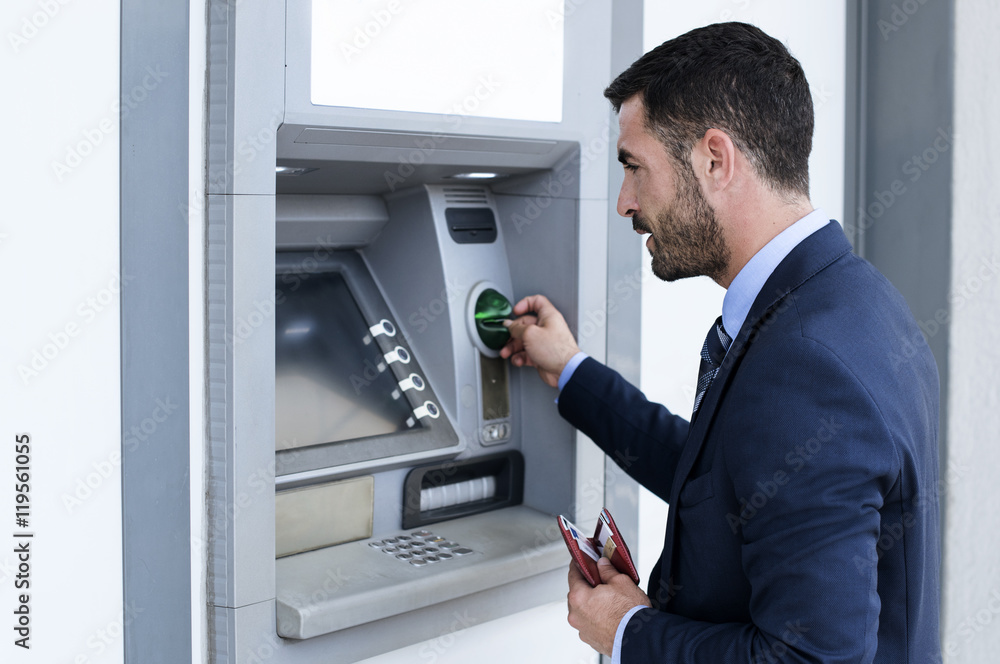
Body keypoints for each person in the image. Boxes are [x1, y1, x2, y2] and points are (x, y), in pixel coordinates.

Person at [500, 22, 941, 663]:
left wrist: (626, 632)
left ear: (715, 159)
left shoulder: (806, 364)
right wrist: (571, 370)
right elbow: (727, 476)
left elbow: (811, 658)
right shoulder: (850, 298)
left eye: (634, 167)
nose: (624, 202)